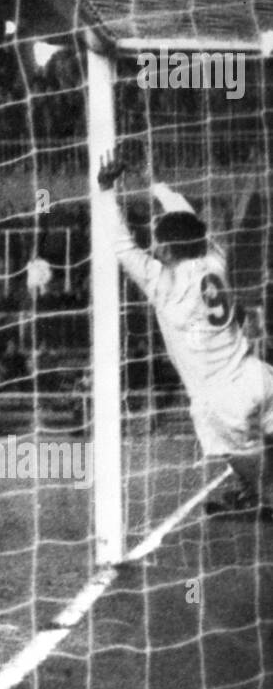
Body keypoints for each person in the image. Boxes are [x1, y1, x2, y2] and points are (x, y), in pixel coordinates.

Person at [98, 155, 273, 517]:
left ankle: (259, 498)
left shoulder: (161, 282)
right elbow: (189, 220)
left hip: (219, 394)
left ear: (165, 248)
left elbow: (122, 245)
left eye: (159, 240)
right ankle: (252, 494)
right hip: (256, 372)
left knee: (246, 461)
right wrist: (155, 182)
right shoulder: (215, 258)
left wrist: (104, 191)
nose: (155, 245)